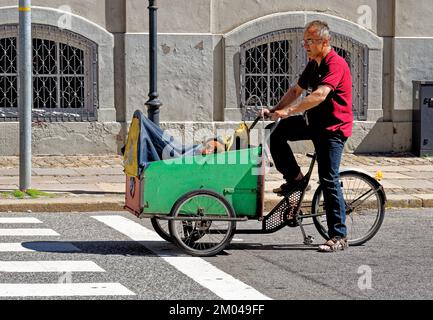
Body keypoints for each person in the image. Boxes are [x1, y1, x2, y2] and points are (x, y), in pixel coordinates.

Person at [261, 20, 353, 252]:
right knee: (275, 133)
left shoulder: (336, 64)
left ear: (325, 41)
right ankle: (296, 179)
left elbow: (320, 95)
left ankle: (338, 236)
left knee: (328, 178)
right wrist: (275, 111)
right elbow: (296, 91)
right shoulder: (314, 64)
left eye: (310, 41)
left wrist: (289, 111)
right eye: (305, 41)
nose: (306, 45)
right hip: (313, 123)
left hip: (333, 129)